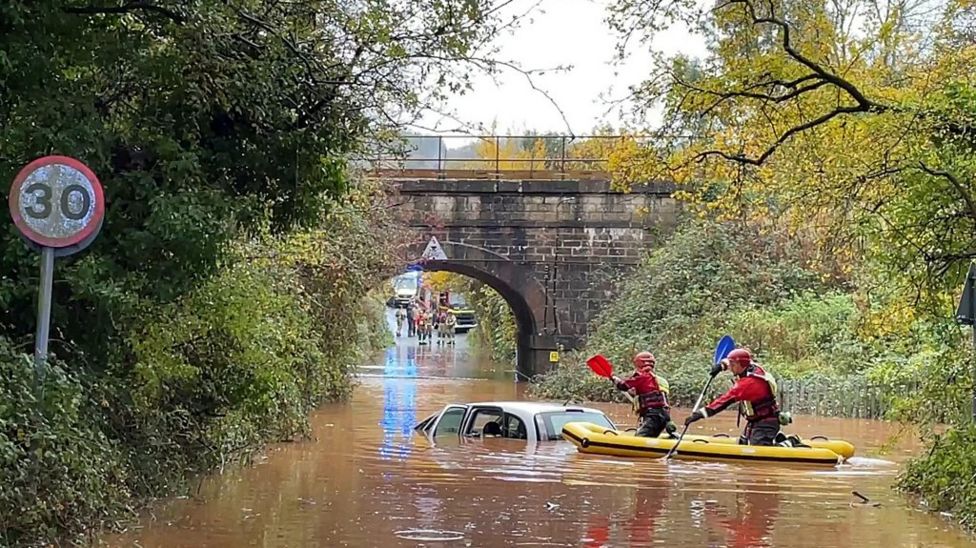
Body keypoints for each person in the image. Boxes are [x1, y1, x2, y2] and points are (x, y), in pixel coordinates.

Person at [683, 348, 787, 446]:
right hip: (756, 422)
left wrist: (699, 414)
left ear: (741, 364)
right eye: (730, 364)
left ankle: (787, 443)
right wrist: (721, 366)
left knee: (756, 448)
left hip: (765, 424)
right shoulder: (751, 367)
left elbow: (723, 402)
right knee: (744, 442)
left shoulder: (748, 384)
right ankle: (777, 438)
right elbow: (732, 361)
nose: (730, 368)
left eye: (733, 365)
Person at [611, 351, 676, 438]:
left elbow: (624, 386)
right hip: (663, 416)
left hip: (653, 416)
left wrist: (615, 380)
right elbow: (641, 393)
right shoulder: (654, 379)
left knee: (640, 438)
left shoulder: (642, 376)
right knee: (650, 437)